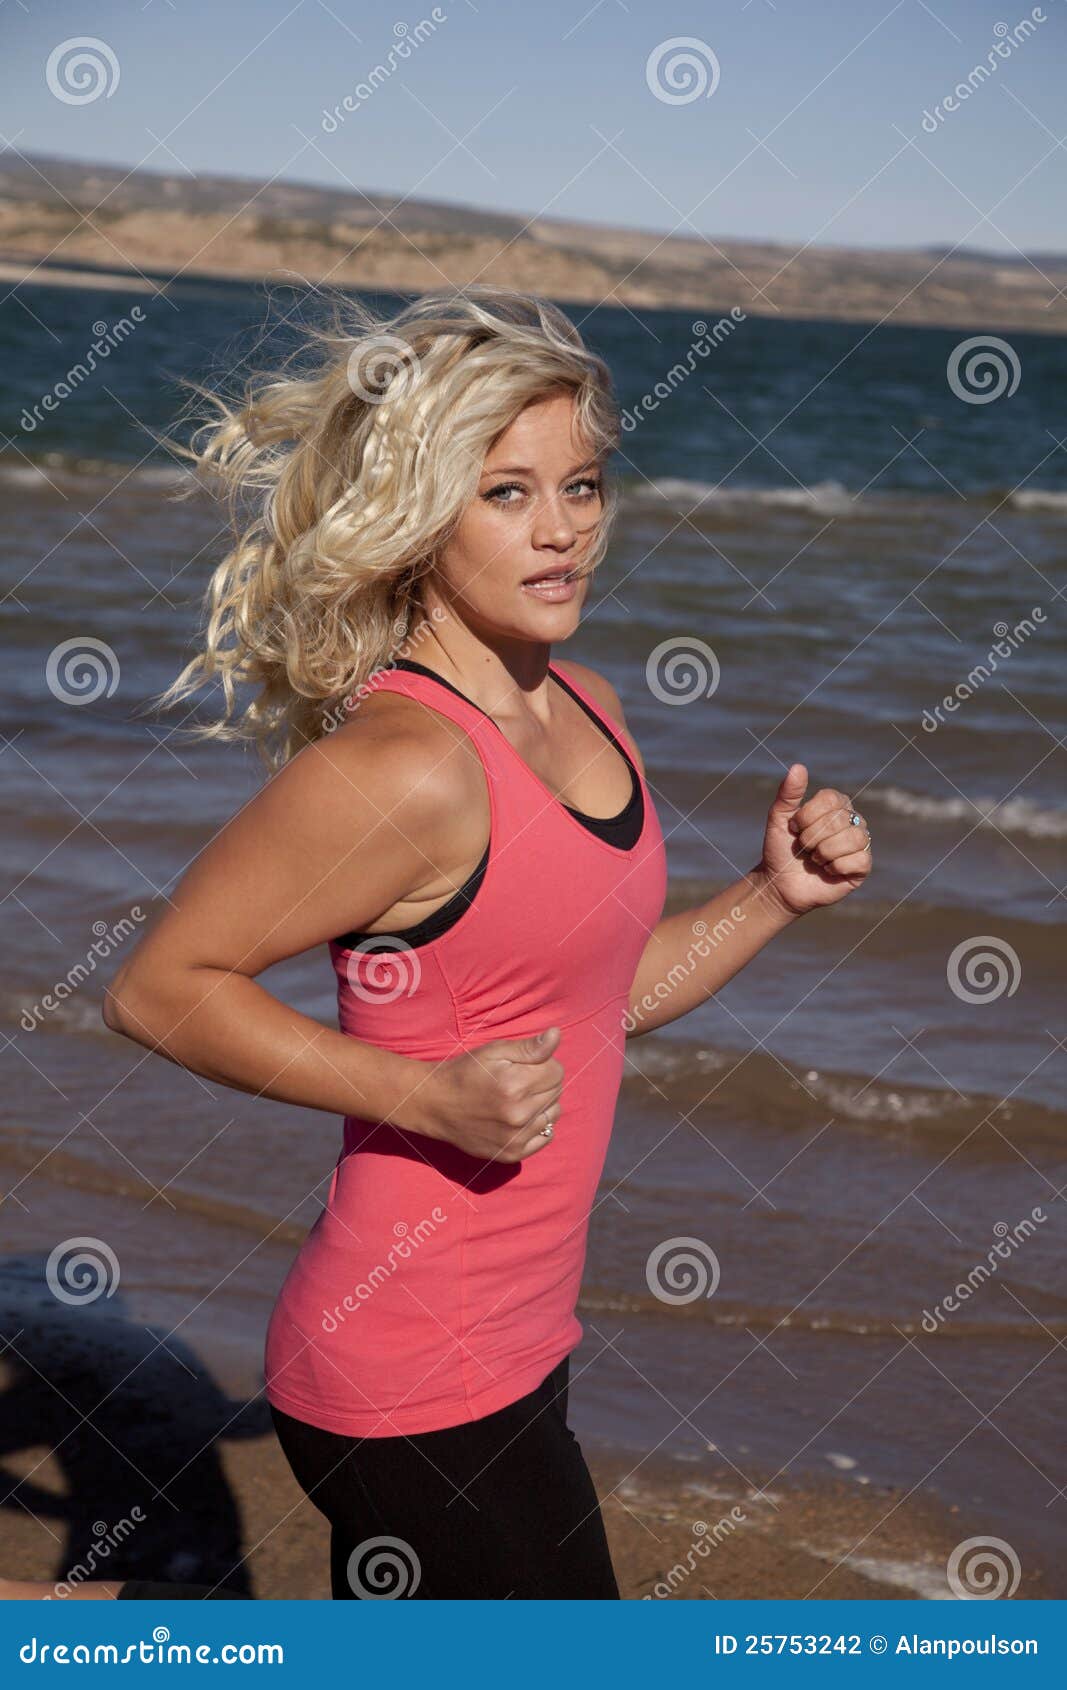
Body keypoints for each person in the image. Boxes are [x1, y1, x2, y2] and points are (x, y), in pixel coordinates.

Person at [102, 287, 873, 1600]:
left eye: (581, 484)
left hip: (521, 1333)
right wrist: (425, 1093)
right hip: (406, 1367)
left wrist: (767, 895)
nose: (564, 528)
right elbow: (156, 988)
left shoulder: (593, 707)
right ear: (418, 515)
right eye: (506, 492)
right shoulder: (405, 770)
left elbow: (590, 1001)